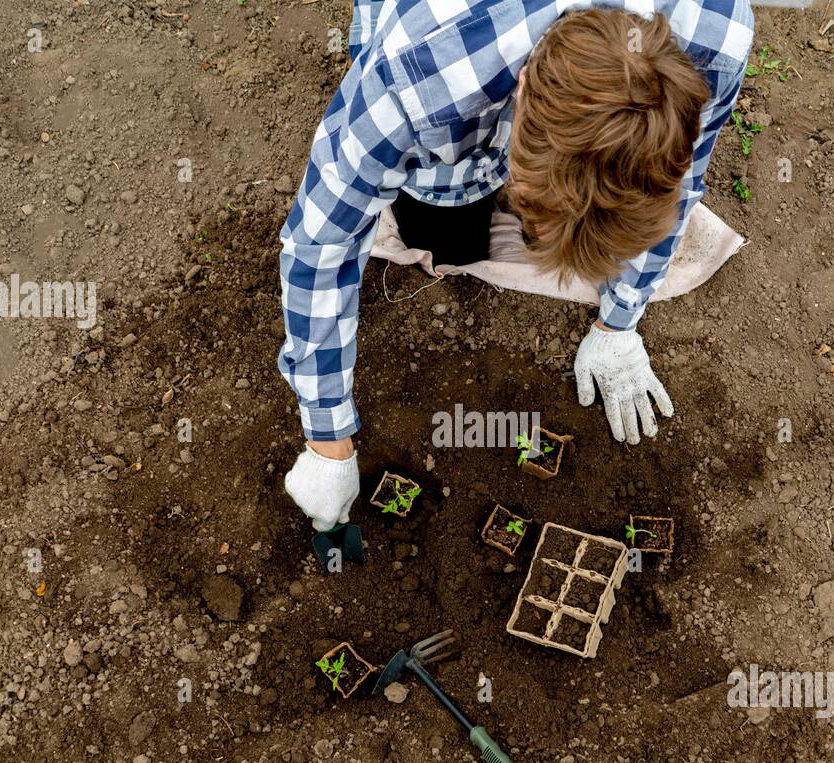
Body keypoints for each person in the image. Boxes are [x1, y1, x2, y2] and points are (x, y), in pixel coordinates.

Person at [282, 0, 754, 530]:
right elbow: (320, 248)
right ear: (523, 87)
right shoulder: (415, 82)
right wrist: (328, 441)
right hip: (444, 56)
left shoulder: (715, 40)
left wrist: (619, 320)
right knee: (444, 236)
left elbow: (681, 186)